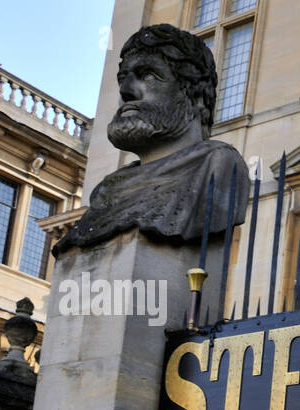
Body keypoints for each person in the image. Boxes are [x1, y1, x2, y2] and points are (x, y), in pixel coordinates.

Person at [54, 23, 249, 255]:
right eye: (122, 78)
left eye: (148, 75)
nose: (126, 91)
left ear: (195, 95)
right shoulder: (108, 189)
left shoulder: (217, 167)